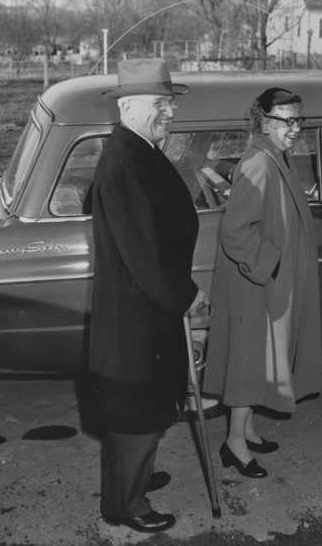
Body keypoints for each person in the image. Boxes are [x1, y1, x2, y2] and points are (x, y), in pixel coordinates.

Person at [86, 58, 211, 534]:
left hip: (146, 311)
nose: (170, 113)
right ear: (128, 106)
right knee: (137, 412)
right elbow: (142, 252)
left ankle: (129, 479)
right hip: (141, 313)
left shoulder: (140, 149)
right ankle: (126, 504)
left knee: (145, 407)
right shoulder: (123, 162)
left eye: (170, 103)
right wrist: (186, 296)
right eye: (160, 104)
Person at [203, 88, 322, 478]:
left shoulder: (275, 156)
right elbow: (236, 232)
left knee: (256, 364)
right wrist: (271, 268)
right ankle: (234, 444)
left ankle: (247, 429)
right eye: (287, 120)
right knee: (249, 365)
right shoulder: (259, 163)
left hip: (266, 284)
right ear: (264, 122)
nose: (295, 128)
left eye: (298, 120)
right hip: (256, 286)